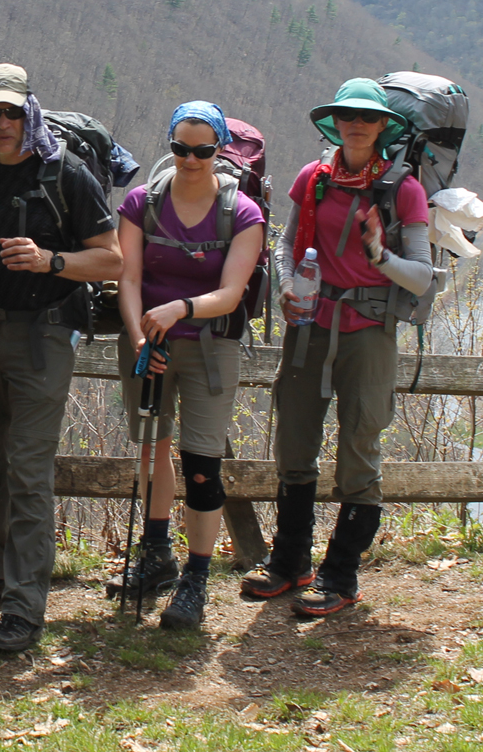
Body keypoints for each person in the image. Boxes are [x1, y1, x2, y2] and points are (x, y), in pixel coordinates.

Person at [0, 64, 122, 652]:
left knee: (27, 466)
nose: (1, 124)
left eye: (12, 113)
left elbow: (112, 260)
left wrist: (50, 261)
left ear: (30, 113)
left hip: (44, 335)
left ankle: (23, 608)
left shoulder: (65, 174)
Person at [241, 78, 433, 617]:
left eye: (367, 118)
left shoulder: (403, 190)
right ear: (335, 121)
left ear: (382, 127)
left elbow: (421, 276)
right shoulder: (315, 177)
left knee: (359, 449)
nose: (356, 124)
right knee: (295, 445)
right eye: (347, 115)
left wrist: (380, 258)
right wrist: (284, 285)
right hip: (310, 325)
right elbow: (286, 243)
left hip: (368, 331)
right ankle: (290, 563)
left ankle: (341, 574)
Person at [115, 102, 265, 630]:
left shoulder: (244, 213)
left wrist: (180, 309)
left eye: (203, 150)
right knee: (152, 448)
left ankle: (195, 580)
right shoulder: (141, 204)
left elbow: (230, 295)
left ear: (219, 149)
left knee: (202, 464)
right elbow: (127, 278)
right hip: (147, 344)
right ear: (170, 146)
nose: (191, 159)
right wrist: (138, 338)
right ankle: (157, 555)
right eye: (181, 148)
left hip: (209, 347)